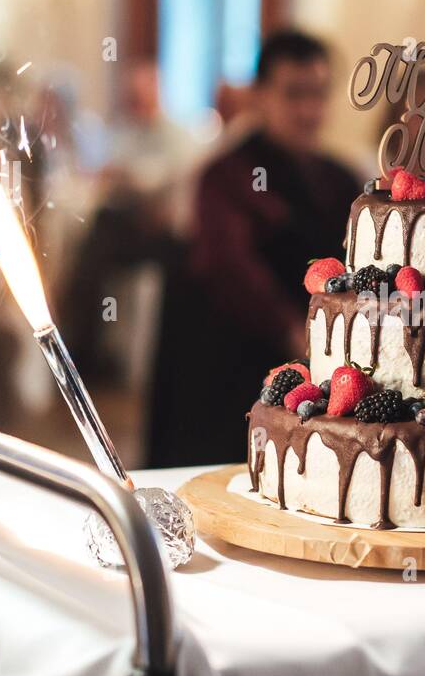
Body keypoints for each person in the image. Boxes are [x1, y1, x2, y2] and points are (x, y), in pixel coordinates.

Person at [147, 29, 359, 466]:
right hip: (233, 367)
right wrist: (293, 331)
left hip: (316, 361)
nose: (308, 110)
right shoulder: (226, 175)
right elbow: (229, 268)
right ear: (260, 96)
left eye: (318, 94)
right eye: (294, 94)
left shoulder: (339, 178)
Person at [59, 60, 199, 380]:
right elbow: (107, 173)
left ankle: (80, 347)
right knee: (99, 237)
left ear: (155, 94)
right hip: (129, 228)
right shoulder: (126, 131)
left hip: (164, 236)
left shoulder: (176, 135)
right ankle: (84, 346)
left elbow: (157, 181)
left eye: (140, 95)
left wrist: (125, 176)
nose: (134, 103)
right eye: (131, 96)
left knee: (98, 239)